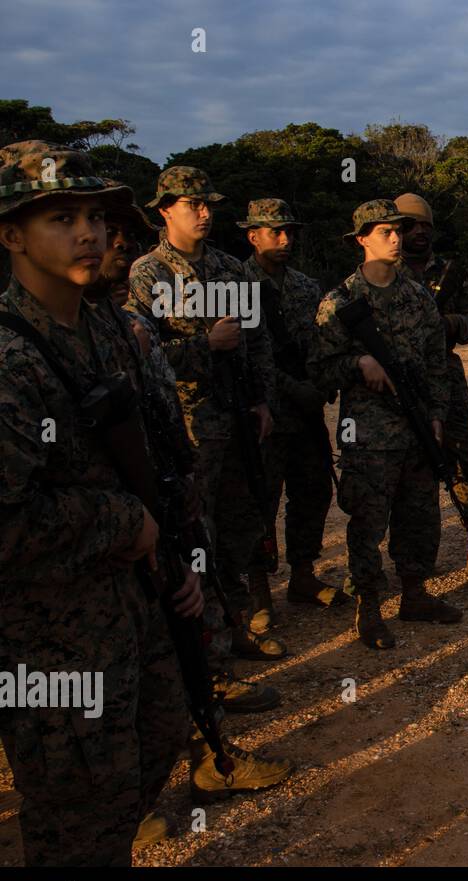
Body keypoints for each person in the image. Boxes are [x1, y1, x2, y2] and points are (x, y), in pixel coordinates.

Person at [0, 141, 192, 864]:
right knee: (80, 808)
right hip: (48, 637)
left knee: (156, 740)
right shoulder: (9, 358)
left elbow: (147, 464)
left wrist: (173, 557)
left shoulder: (107, 328)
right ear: (11, 234)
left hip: (131, 600)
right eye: (60, 217)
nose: (89, 233)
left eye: (95, 217)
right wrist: (122, 524)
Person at [126, 166, 288, 672]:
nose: (203, 212)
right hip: (189, 425)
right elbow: (140, 358)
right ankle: (206, 652)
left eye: (207, 203)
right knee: (197, 534)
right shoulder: (148, 274)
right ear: (164, 210)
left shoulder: (230, 268)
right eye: (191, 204)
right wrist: (204, 346)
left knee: (240, 527)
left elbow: (257, 341)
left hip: (238, 418)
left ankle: (236, 623)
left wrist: (263, 402)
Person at [309, 199, 461, 649]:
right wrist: (358, 362)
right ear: (361, 240)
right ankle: (369, 608)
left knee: (420, 518)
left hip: (416, 431)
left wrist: (436, 416)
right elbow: (319, 368)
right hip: (370, 435)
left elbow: (438, 363)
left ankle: (415, 594)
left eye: (399, 231)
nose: (396, 239)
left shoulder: (417, 295)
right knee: (368, 523)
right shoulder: (339, 302)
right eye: (384, 233)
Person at [393, 192, 468, 583]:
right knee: (407, 472)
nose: (418, 233)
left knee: (465, 461)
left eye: (425, 226)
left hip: (446, 375)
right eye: (409, 225)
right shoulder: (382, 272)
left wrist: (445, 325)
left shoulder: (449, 271)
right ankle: (412, 561)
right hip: (400, 383)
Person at [238, 198, 344, 630]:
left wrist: (319, 385)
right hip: (262, 413)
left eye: (289, 232)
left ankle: (303, 574)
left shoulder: (305, 285)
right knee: (259, 501)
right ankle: (258, 591)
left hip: (305, 413)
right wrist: (291, 388)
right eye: (275, 232)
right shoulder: (237, 281)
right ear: (253, 235)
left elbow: (320, 344)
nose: (285, 239)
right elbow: (246, 356)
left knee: (313, 490)